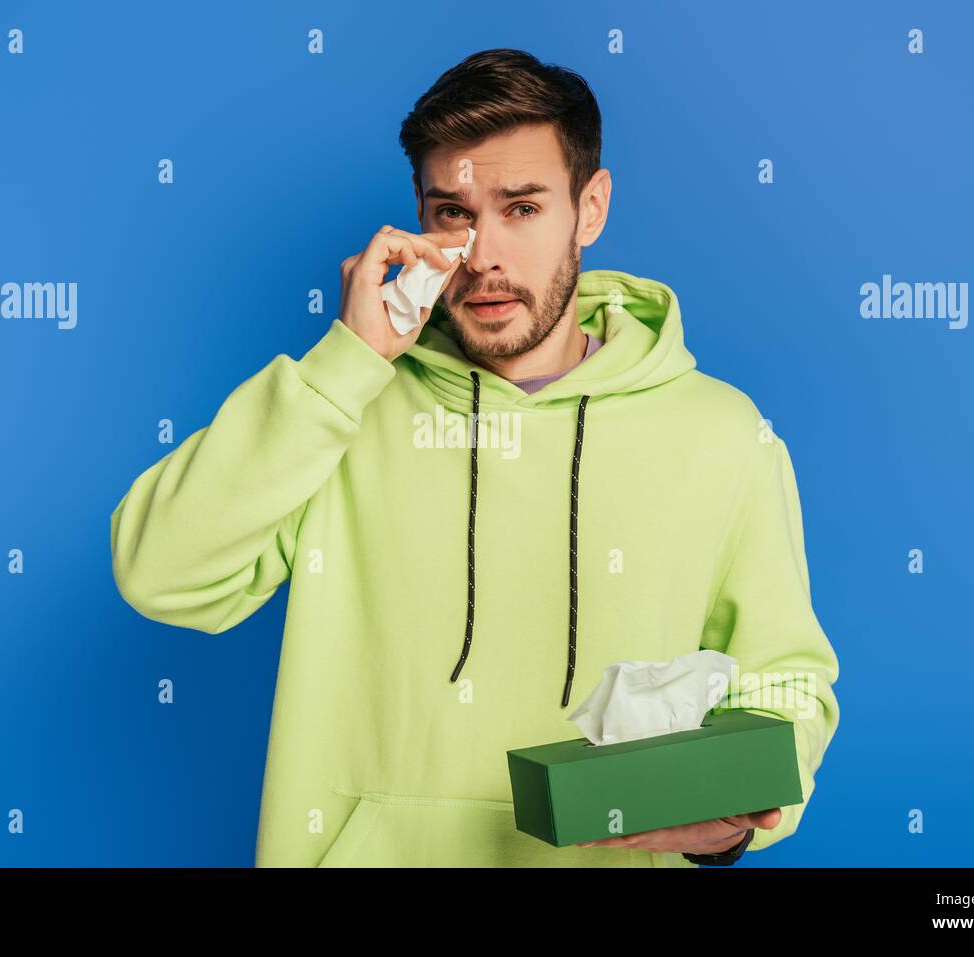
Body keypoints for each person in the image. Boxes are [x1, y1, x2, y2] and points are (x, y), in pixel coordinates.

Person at [110, 48, 840, 867]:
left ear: (589, 209)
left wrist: (735, 820)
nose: (484, 254)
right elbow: (159, 572)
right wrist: (345, 362)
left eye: (522, 209)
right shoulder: (342, 407)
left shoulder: (720, 431)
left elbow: (786, 686)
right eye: (453, 213)